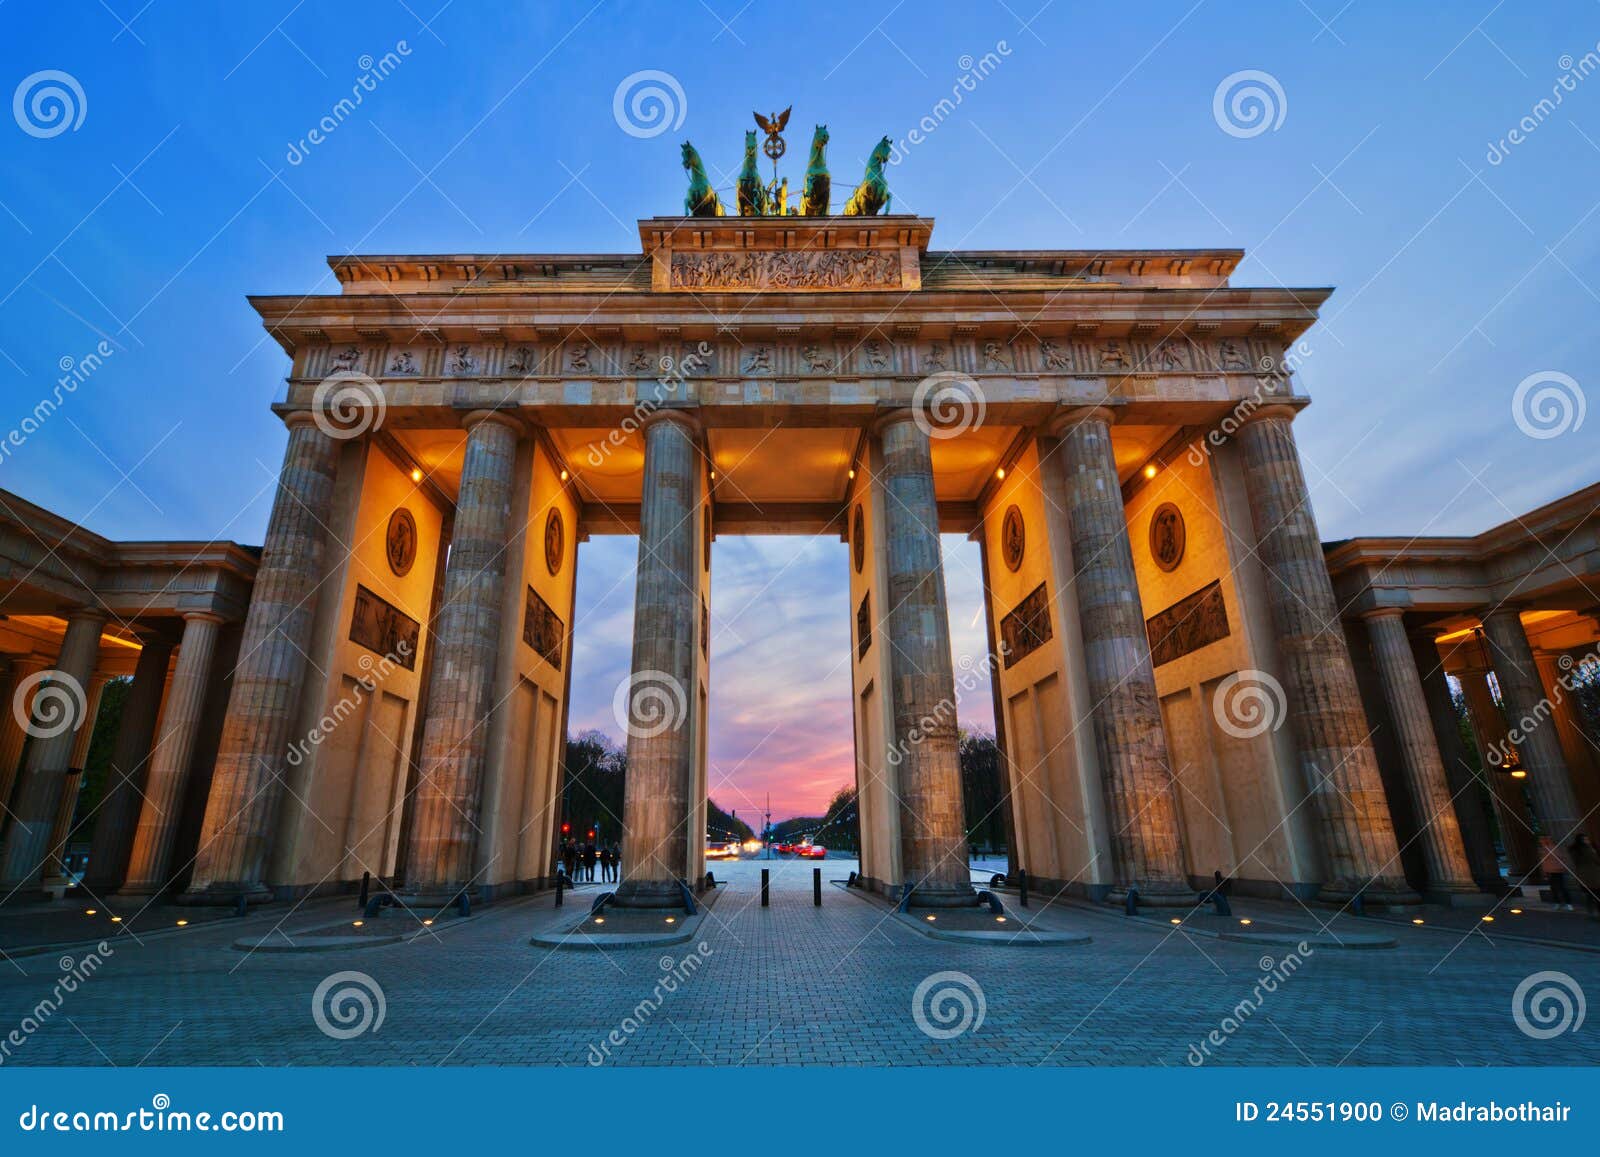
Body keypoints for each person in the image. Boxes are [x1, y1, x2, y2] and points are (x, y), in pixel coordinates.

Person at [1568, 833, 1600, 917]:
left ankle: (1590, 910)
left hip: (1587, 876)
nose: (1587, 841)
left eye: (1587, 839)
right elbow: (1596, 860)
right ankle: (1592, 911)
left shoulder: (1576, 851)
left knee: (1591, 894)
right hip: (1593, 875)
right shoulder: (1588, 850)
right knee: (1596, 894)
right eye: (1585, 839)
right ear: (1581, 841)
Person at [1539, 836, 1574, 910]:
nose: (1541, 842)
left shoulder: (1549, 849)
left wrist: (1544, 872)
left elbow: (1546, 861)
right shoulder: (1546, 849)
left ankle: (1564, 903)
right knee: (1558, 887)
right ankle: (1565, 903)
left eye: (1542, 840)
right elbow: (1545, 862)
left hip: (1555, 870)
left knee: (1558, 887)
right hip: (1554, 870)